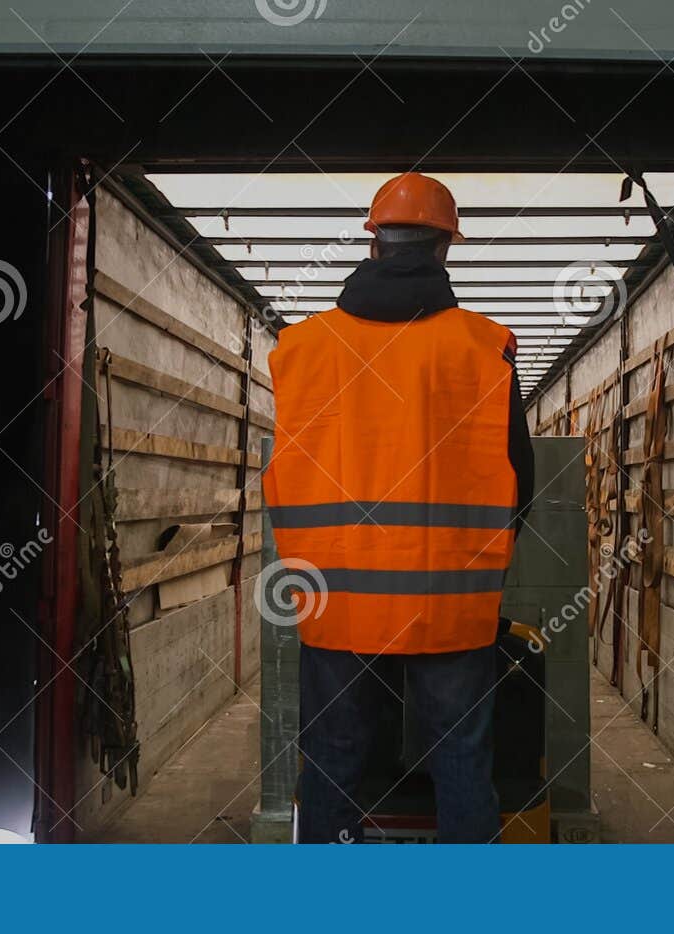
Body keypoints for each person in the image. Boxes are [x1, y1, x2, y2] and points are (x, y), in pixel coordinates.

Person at [262, 172, 535, 843]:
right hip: (450, 600)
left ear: (374, 243)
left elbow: (281, 475)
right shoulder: (483, 346)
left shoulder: (301, 349)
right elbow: (520, 482)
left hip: (336, 599)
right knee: (463, 761)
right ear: (444, 247)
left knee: (332, 762)